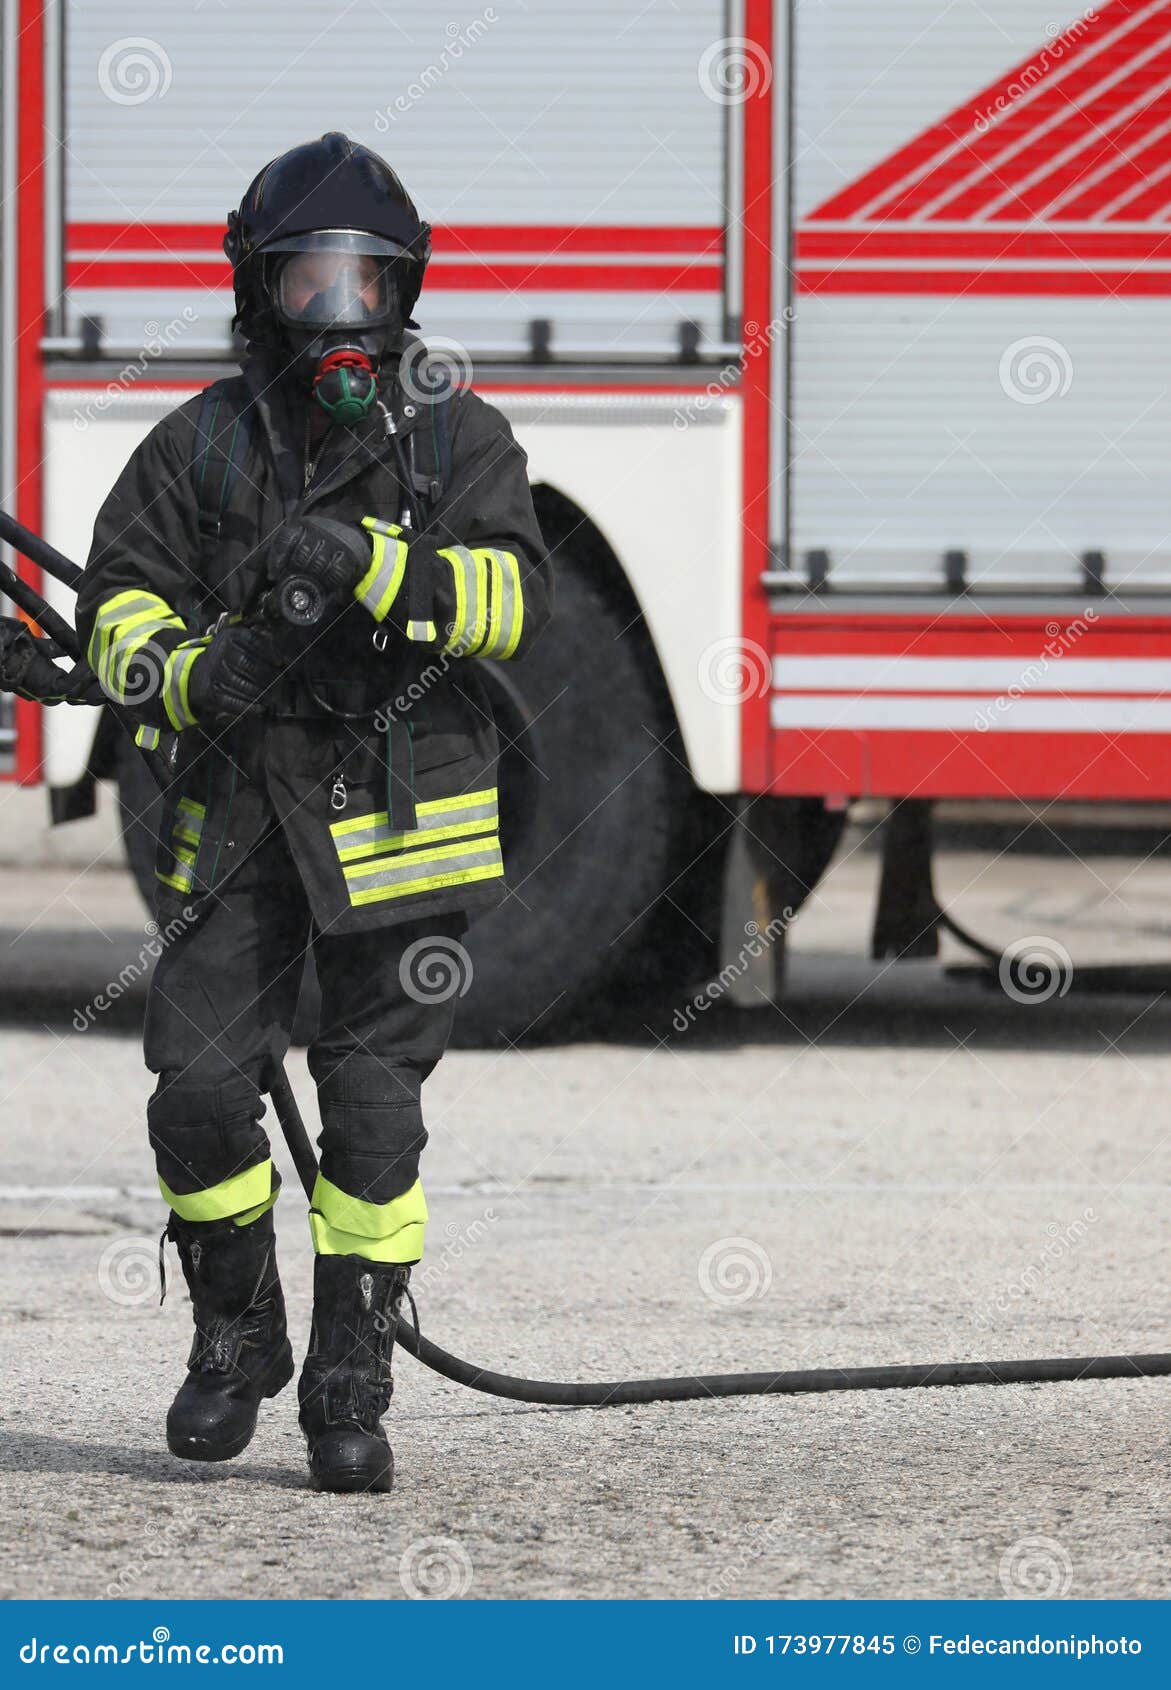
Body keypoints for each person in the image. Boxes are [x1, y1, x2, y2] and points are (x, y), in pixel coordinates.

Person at [74, 133, 551, 1493]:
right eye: (309, 283)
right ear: (257, 290)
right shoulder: (200, 444)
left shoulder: (461, 435)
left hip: (398, 827)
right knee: (202, 1091)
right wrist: (179, 667)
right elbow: (117, 603)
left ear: (405, 293)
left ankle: (352, 1374)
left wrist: (384, 567)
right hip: (236, 819)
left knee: (373, 1113)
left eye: (365, 281)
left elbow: (520, 599)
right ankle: (237, 1340)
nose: (339, 312)